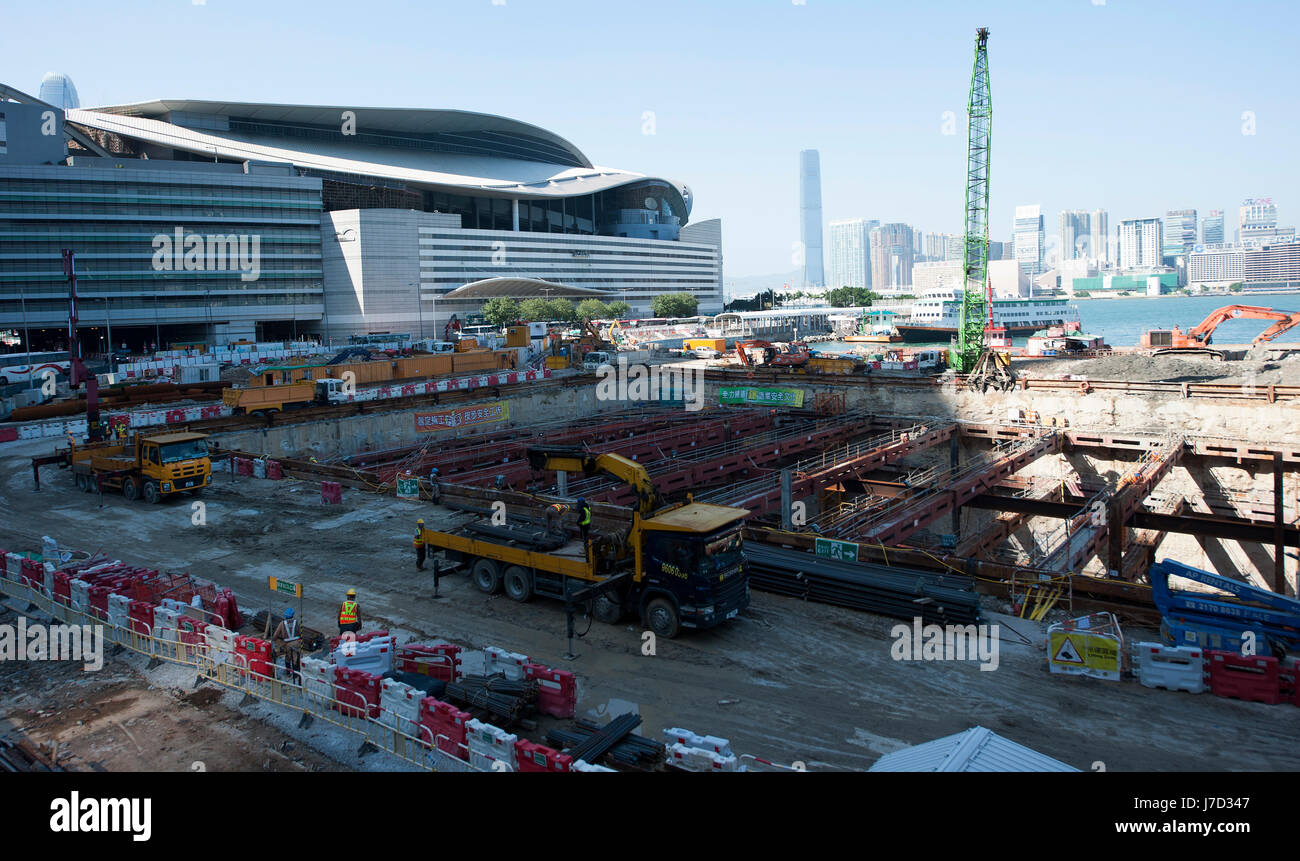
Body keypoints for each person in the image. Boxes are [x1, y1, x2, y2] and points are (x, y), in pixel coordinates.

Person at [272, 608, 301, 673]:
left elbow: (276, 633)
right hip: (297, 643)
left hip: (287, 644)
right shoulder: (296, 622)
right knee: (295, 658)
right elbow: (300, 632)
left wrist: (273, 640)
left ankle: (288, 672)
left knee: (288, 658)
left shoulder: (282, 623)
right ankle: (296, 674)